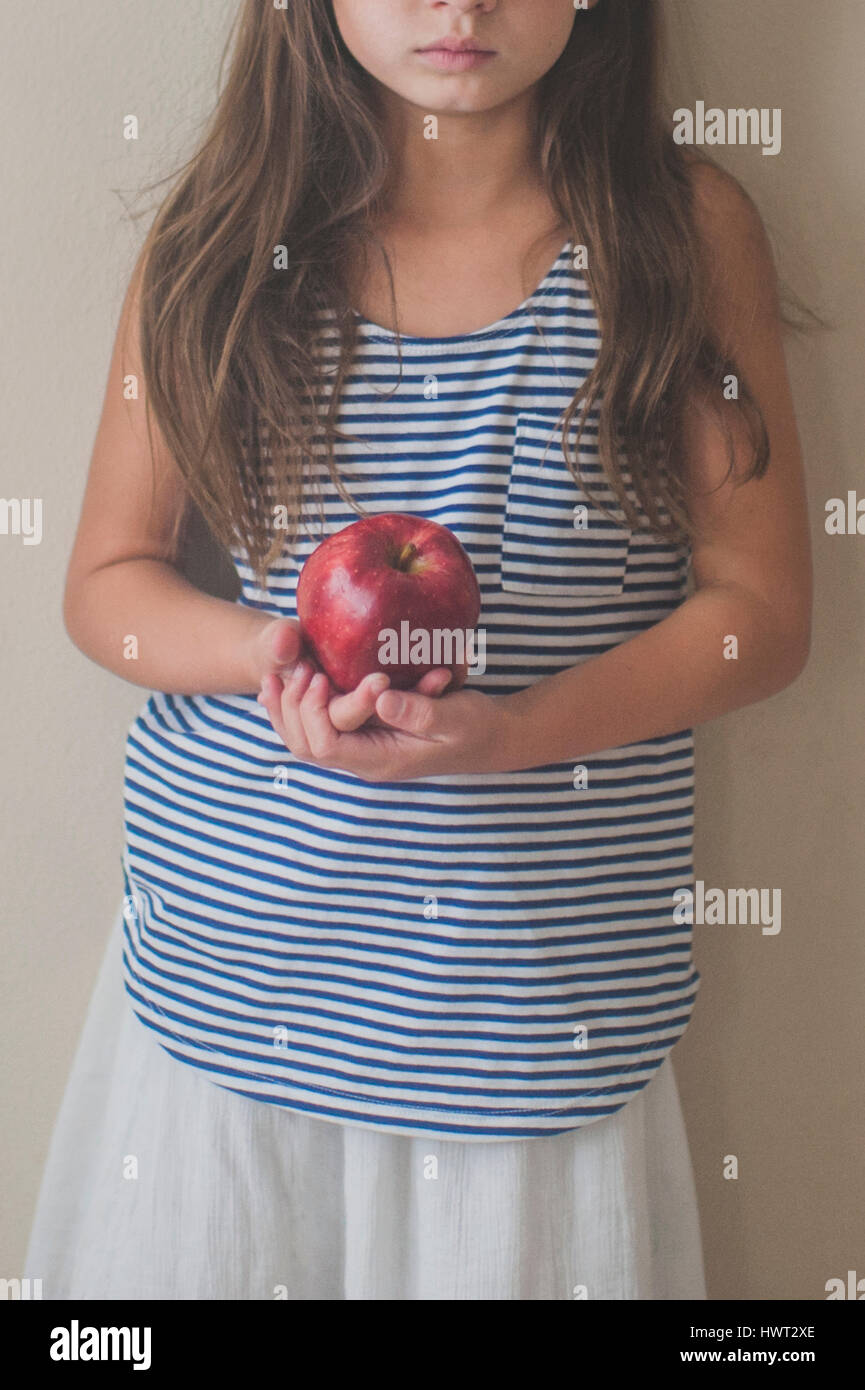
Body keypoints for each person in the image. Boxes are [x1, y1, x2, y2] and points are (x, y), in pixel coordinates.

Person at [26, 0, 812, 1300]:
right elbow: (106, 582)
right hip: (230, 999)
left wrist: (517, 733)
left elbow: (763, 614)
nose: (461, 4)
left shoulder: (676, 235)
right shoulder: (224, 237)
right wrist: (271, 654)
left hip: (534, 1022)